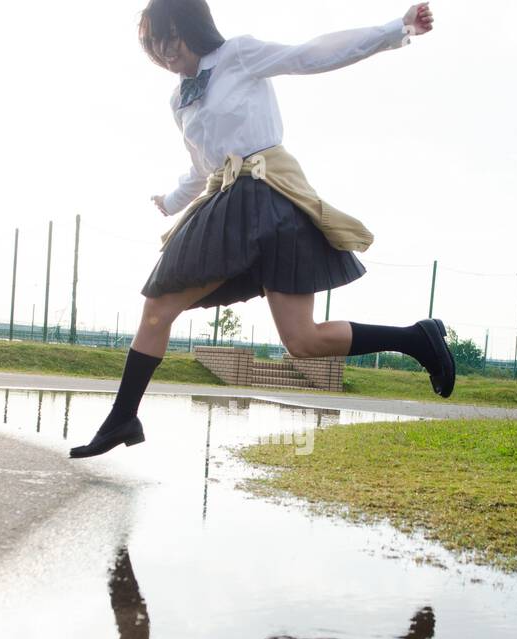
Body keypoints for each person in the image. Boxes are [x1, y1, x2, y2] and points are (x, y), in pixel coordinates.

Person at [70, 0, 450, 459]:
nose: (164, 50)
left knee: (193, 313)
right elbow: (202, 166)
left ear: (192, 25)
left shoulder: (239, 55)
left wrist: (396, 29)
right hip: (226, 201)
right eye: (153, 44)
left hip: (270, 196)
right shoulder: (180, 99)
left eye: (170, 36)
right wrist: (171, 201)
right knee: (283, 336)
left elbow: (311, 54)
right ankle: (417, 338)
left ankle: (121, 418)